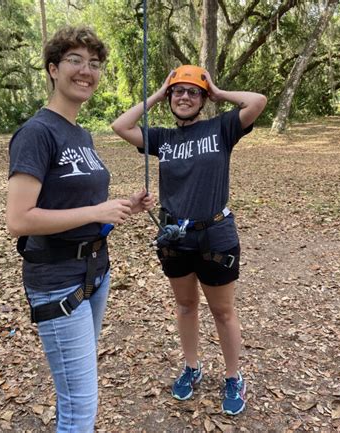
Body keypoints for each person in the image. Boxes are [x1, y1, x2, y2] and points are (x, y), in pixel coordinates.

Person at [6, 26, 153, 432]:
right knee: (80, 407)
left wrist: (123, 209)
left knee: (79, 393)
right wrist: (96, 209)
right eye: (74, 60)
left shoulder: (81, 134)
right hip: (57, 282)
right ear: (53, 69)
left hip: (94, 274)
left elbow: (78, 209)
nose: (86, 70)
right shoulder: (37, 133)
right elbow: (19, 220)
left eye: (94, 63)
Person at [111, 65, 266, 415]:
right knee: (185, 306)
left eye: (192, 92)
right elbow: (121, 126)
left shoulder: (222, 128)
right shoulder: (163, 139)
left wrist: (218, 91)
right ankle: (192, 368)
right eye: (177, 92)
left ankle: (233, 377)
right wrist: (157, 90)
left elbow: (257, 102)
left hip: (216, 234)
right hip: (174, 237)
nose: (184, 97)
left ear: (202, 99)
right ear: (169, 98)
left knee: (222, 311)